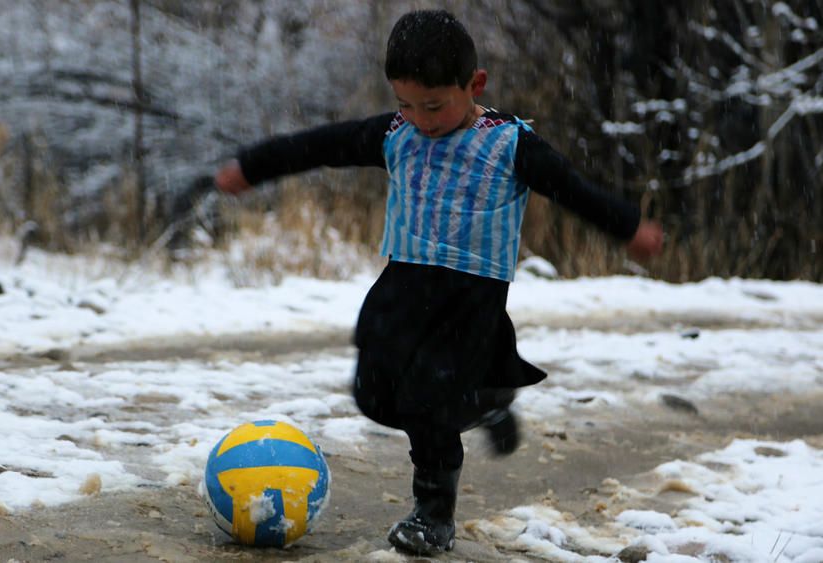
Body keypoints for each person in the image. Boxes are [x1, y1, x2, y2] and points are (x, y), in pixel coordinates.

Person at [213, 9, 664, 555]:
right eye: (405, 103)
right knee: (373, 395)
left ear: (475, 84)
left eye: (433, 105)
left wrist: (627, 227)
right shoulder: (396, 134)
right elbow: (320, 146)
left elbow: (573, 188)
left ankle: (433, 515)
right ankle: (486, 397)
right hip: (404, 284)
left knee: (426, 402)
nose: (419, 119)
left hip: (470, 298)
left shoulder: (509, 143)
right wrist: (252, 166)